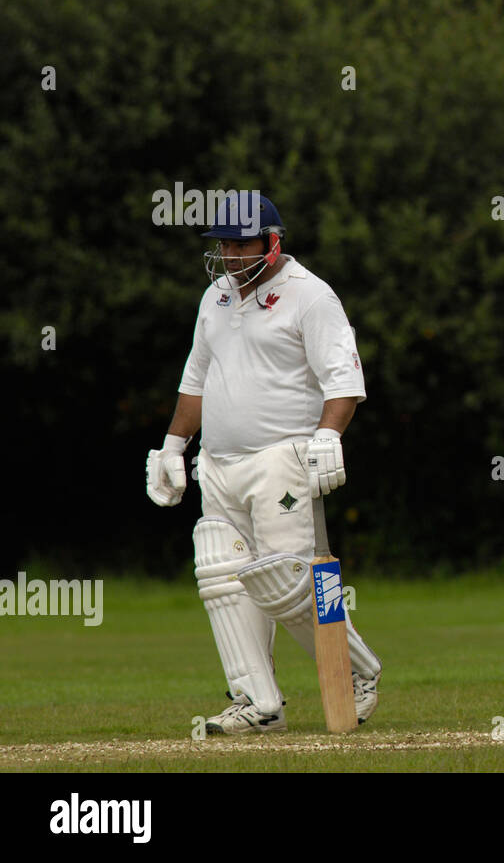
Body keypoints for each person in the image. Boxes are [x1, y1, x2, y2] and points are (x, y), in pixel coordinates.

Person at [145, 192, 381, 733]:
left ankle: (356, 672)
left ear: (273, 243)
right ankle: (257, 702)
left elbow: (343, 379)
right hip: (220, 463)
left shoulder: (311, 297)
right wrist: (173, 446)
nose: (229, 254)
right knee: (220, 575)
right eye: (222, 244)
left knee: (285, 581)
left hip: (283, 460)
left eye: (240, 242)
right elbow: (196, 381)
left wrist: (327, 436)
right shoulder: (215, 298)